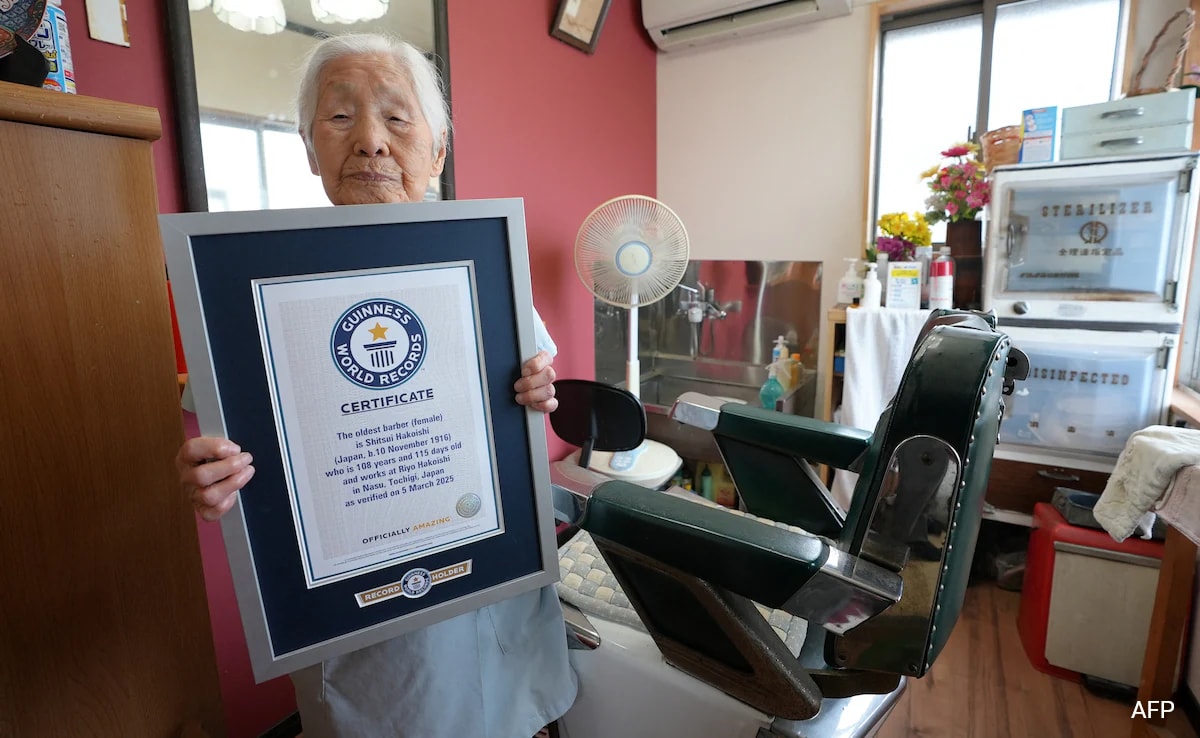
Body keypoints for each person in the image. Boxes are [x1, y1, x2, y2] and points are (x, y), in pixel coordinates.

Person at [175, 33, 577, 738]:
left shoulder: (490, 273)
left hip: (488, 583)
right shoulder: (248, 294)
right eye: (339, 118)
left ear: (439, 149)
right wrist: (215, 477)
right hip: (365, 633)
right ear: (308, 150)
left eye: (396, 118)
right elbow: (245, 450)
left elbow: (525, 412)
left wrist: (533, 400)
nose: (369, 141)